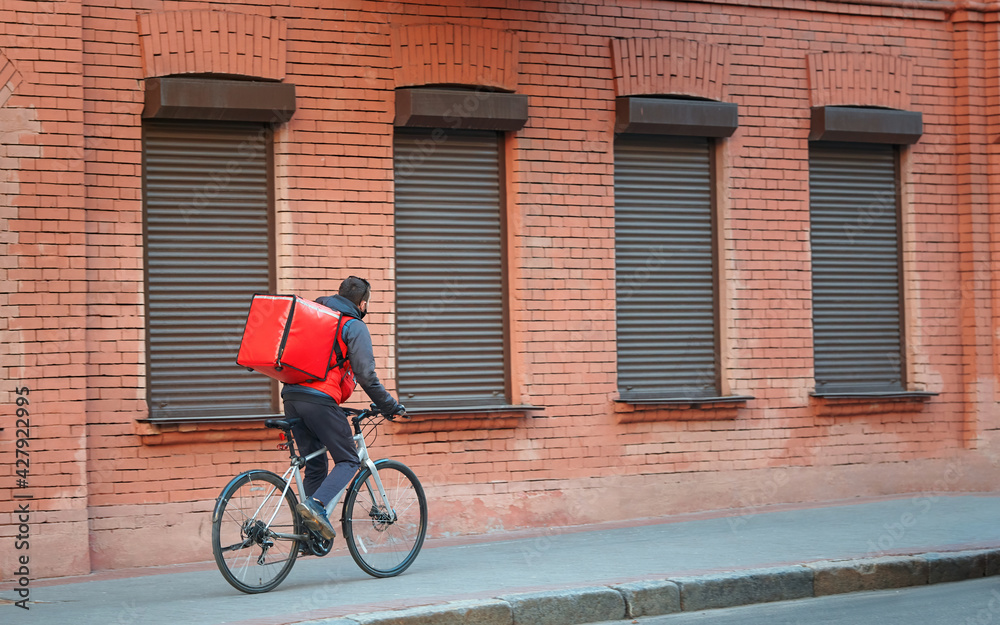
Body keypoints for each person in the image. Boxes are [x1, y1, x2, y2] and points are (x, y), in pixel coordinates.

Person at [280, 276, 404, 540]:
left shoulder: (316, 318)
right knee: (349, 460)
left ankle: (309, 538)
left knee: (315, 466)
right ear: (362, 303)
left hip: (291, 396)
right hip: (319, 401)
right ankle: (316, 506)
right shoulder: (354, 326)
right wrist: (389, 406)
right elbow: (367, 376)